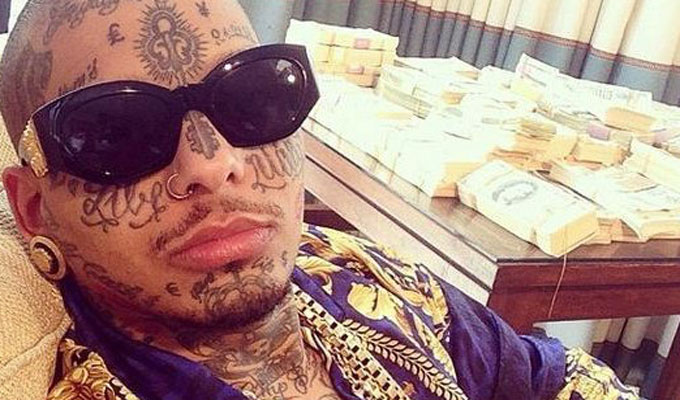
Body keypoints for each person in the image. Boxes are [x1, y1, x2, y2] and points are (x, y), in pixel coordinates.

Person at [0, 0, 639, 399]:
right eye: (114, 132)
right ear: (33, 211)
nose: (214, 164)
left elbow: (545, 377)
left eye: (252, 95)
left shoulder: (355, 268)